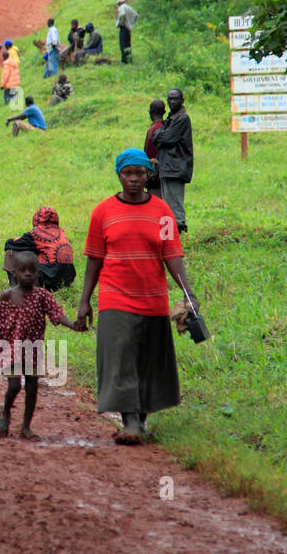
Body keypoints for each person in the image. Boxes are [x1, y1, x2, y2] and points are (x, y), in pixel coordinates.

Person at [76, 148, 201, 445]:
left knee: (147, 360)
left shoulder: (162, 212)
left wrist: (189, 293)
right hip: (114, 296)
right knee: (120, 357)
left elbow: (173, 255)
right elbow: (94, 259)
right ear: (119, 175)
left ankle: (141, 418)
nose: (133, 179)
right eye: (127, 173)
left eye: (140, 173)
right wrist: (84, 300)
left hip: (153, 298)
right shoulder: (102, 212)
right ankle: (130, 421)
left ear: (149, 175)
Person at [0, 244, 79, 438]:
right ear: (14, 273)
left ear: (38, 272)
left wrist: (73, 325)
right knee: (14, 386)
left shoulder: (42, 296)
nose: (28, 274)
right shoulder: (8, 295)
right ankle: (5, 412)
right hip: (11, 348)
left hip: (33, 351)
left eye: (32, 270)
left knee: (32, 387)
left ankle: (26, 427)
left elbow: (57, 314)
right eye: (23, 270)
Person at [152, 88, 193, 233]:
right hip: (168, 166)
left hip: (176, 166)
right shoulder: (172, 118)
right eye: (170, 99)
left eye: (175, 99)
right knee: (168, 203)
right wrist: (160, 136)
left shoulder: (182, 118)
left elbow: (166, 138)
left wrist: (160, 136)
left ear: (182, 100)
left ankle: (178, 233)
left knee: (174, 204)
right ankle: (170, 234)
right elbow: (157, 138)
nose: (172, 101)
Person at [30, 206, 76, 291]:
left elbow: (11, 244)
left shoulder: (36, 232)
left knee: (15, 252)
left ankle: (15, 285)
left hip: (49, 279)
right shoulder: (61, 231)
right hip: (68, 279)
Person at [144, 99, 165, 188]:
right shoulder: (167, 127)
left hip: (154, 171)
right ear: (164, 112)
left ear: (150, 112)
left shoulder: (153, 129)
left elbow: (148, 151)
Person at [116, 0, 139, 64]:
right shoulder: (129, 7)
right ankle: (129, 59)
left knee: (123, 44)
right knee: (128, 44)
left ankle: (124, 60)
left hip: (123, 27)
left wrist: (121, 22)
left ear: (120, 2)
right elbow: (136, 15)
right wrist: (131, 23)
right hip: (129, 28)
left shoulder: (122, 7)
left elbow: (122, 15)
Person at [0, 41, 21, 105]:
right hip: (15, 82)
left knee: (7, 95)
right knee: (12, 94)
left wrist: (2, 85)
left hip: (10, 83)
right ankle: (16, 102)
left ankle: (7, 105)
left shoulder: (6, 64)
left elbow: (5, 75)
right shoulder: (13, 62)